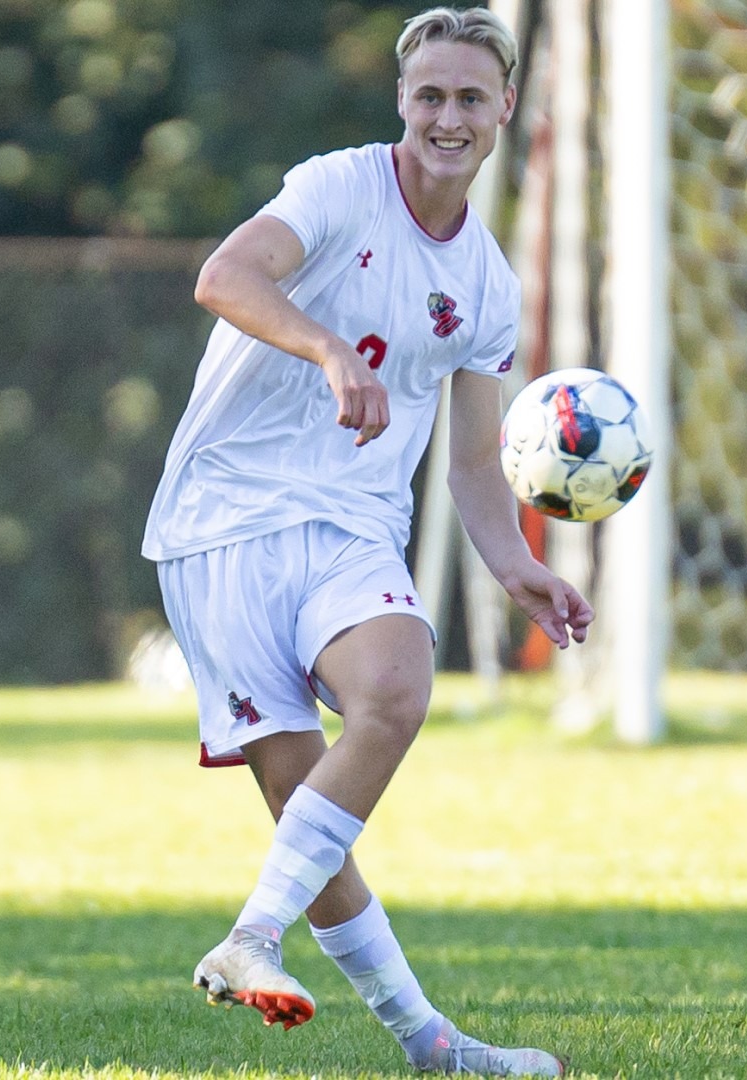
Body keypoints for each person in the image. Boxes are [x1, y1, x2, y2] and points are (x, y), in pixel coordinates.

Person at [140, 7, 592, 1077]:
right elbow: (224, 275)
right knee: (309, 812)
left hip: (349, 525)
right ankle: (429, 1044)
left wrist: (517, 563)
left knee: (395, 689)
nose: (447, 116)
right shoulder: (340, 187)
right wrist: (330, 349)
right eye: (429, 95)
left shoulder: (485, 284)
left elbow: (477, 467)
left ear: (504, 111)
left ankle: (251, 938)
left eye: (469, 98)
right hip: (223, 520)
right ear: (402, 101)